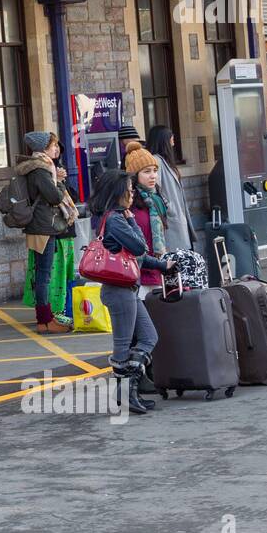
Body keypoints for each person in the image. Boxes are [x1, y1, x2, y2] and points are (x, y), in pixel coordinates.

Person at [89, 169, 176, 415]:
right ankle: (126, 394)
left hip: (127, 289)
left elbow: (137, 256)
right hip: (119, 292)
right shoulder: (117, 219)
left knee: (149, 337)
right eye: (128, 190)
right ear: (118, 193)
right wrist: (132, 220)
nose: (132, 193)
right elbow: (139, 246)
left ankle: (131, 387)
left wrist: (162, 266)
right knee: (123, 345)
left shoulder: (116, 217)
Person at [15, 131, 79, 333]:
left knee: (43, 273)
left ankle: (45, 318)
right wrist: (58, 182)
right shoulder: (41, 170)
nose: (56, 149)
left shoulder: (41, 167)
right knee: (44, 274)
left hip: (40, 225)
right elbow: (53, 197)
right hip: (43, 226)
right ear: (43, 149)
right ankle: (45, 320)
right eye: (53, 146)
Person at [123, 140, 168, 297]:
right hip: (137, 277)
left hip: (158, 275)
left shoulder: (156, 199)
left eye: (155, 170)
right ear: (135, 176)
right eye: (147, 171)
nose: (153, 176)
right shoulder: (128, 204)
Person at [145, 125, 195, 251]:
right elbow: (154, 189)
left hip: (177, 219)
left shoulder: (165, 160)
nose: (173, 138)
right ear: (163, 139)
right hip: (171, 222)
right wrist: (169, 207)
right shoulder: (156, 160)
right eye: (170, 135)